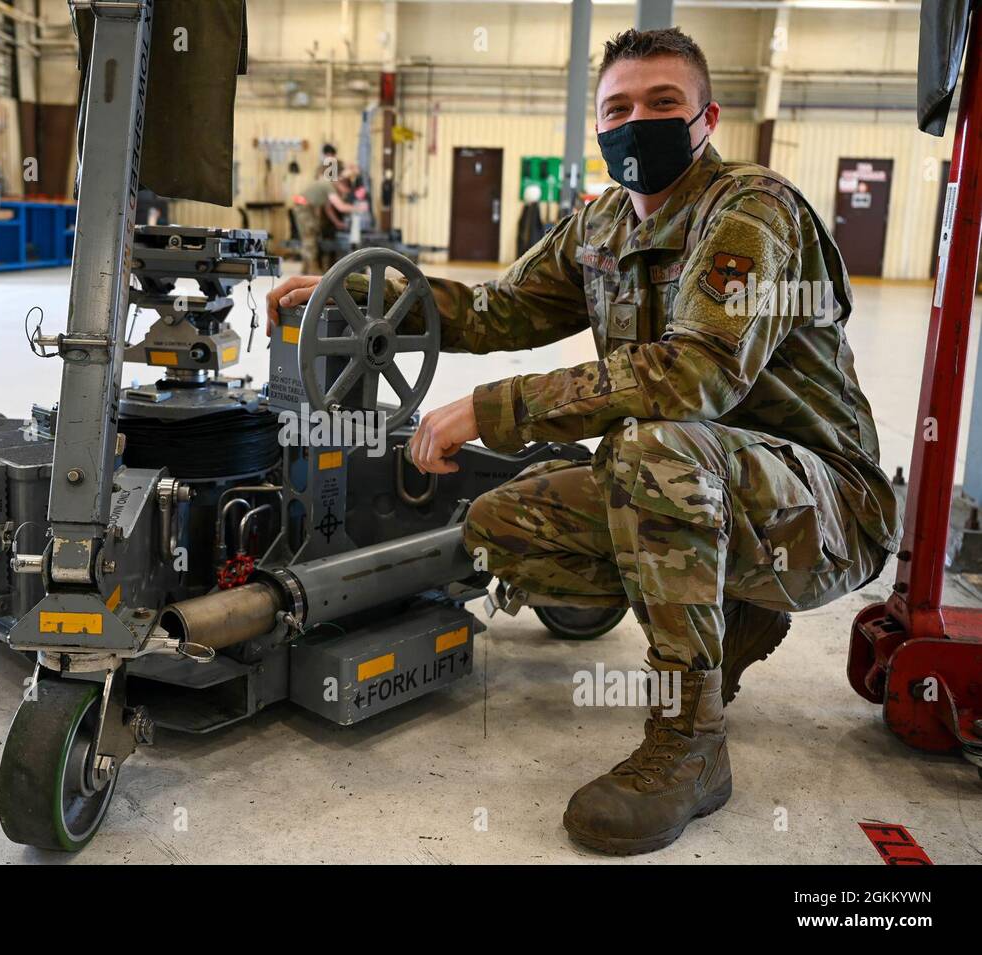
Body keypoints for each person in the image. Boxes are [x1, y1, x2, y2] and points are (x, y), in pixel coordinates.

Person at [265, 27, 900, 855]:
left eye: (663, 104)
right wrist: (375, 297)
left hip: (823, 510)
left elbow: (695, 376)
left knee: (654, 450)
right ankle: (727, 611)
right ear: (600, 130)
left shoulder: (752, 211)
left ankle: (689, 742)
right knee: (499, 527)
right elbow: (500, 311)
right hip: (708, 492)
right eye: (619, 108)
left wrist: (493, 410)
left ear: (706, 117)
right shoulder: (599, 228)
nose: (639, 122)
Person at [291, 172, 356, 274]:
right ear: (342, 185)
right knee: (310, 236)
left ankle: (306, 269)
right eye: (345, 191)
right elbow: (340, 206)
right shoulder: (329, 186)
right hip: (303, 208)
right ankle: (312, 270)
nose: (344, 194)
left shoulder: (329, 187)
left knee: (312, 235)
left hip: (307, 208)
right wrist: (358, 208)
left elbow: (328, 209)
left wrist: (338, 223)